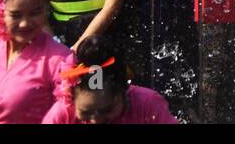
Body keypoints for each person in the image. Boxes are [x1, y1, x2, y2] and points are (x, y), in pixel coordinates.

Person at [43, 35, 177, 124]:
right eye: (86, 112)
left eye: (106, 110)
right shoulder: (63, 114)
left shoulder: (147, 104)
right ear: (71, 97)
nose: (96, 120)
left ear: (123, 92)